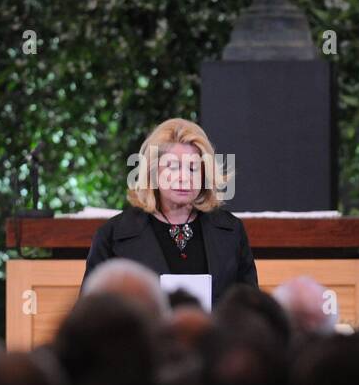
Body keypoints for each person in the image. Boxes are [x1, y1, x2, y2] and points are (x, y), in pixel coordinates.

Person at [84, 117, 257, 304]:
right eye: (172, 168)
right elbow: (91, 316)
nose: (183, 178)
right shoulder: (113, 234)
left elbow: (249, 311)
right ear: (153, 172)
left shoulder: (231, 230)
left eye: (193, 168)